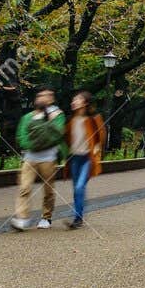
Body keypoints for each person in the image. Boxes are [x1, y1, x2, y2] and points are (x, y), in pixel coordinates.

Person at [11, 88, 66, 230]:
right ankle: (22, 218)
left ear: (51, 99)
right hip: (30, 158)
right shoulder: (27, 117)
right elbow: (21, 136)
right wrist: (31, 145)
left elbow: (56, 135)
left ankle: (46, 217)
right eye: (40, 96)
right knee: (24, 188)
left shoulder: (57, 115)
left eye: (46, 96)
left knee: (48, 189)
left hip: (48, 158)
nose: (42, 98)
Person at [65, 90, 105, 229]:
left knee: (79, 186)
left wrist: (96, 151)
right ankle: (78, 217)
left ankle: (77, 218)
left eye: (77, 100)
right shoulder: (71, 120)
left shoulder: (94, 119)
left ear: (85, 103)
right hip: (74, 158)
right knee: (77, 189)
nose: (73, 102)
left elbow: (101, 137)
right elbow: (66, 139)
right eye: (73, 100)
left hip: (87, 158)